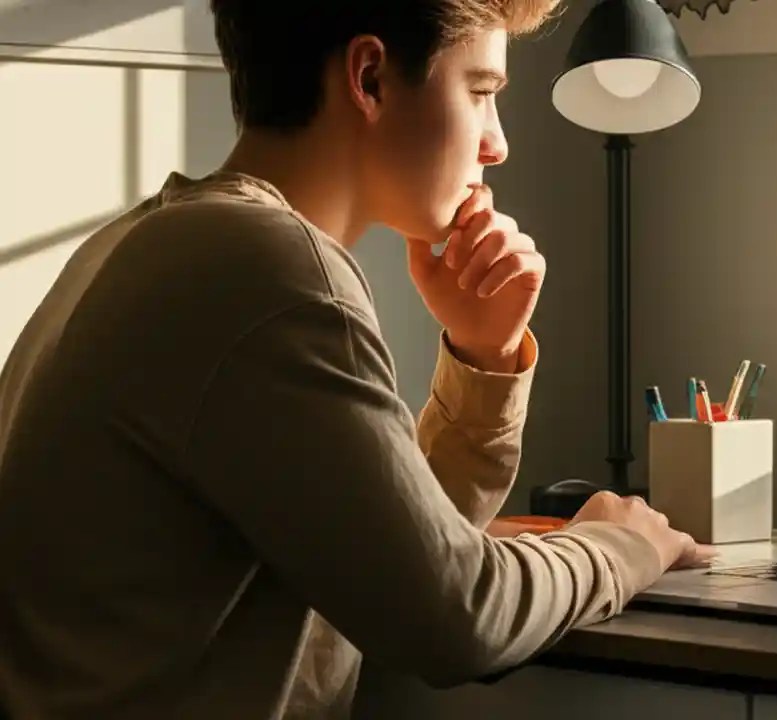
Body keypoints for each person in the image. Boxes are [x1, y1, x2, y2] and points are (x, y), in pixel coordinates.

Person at [0, 1, 713, 718]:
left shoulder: (154, 241)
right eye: (481, 92)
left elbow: (388, 561)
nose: (497, 143)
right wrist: (619, 547)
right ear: (369, 77)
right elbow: (459, 616)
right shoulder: (266, 267)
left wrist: (483, 356)